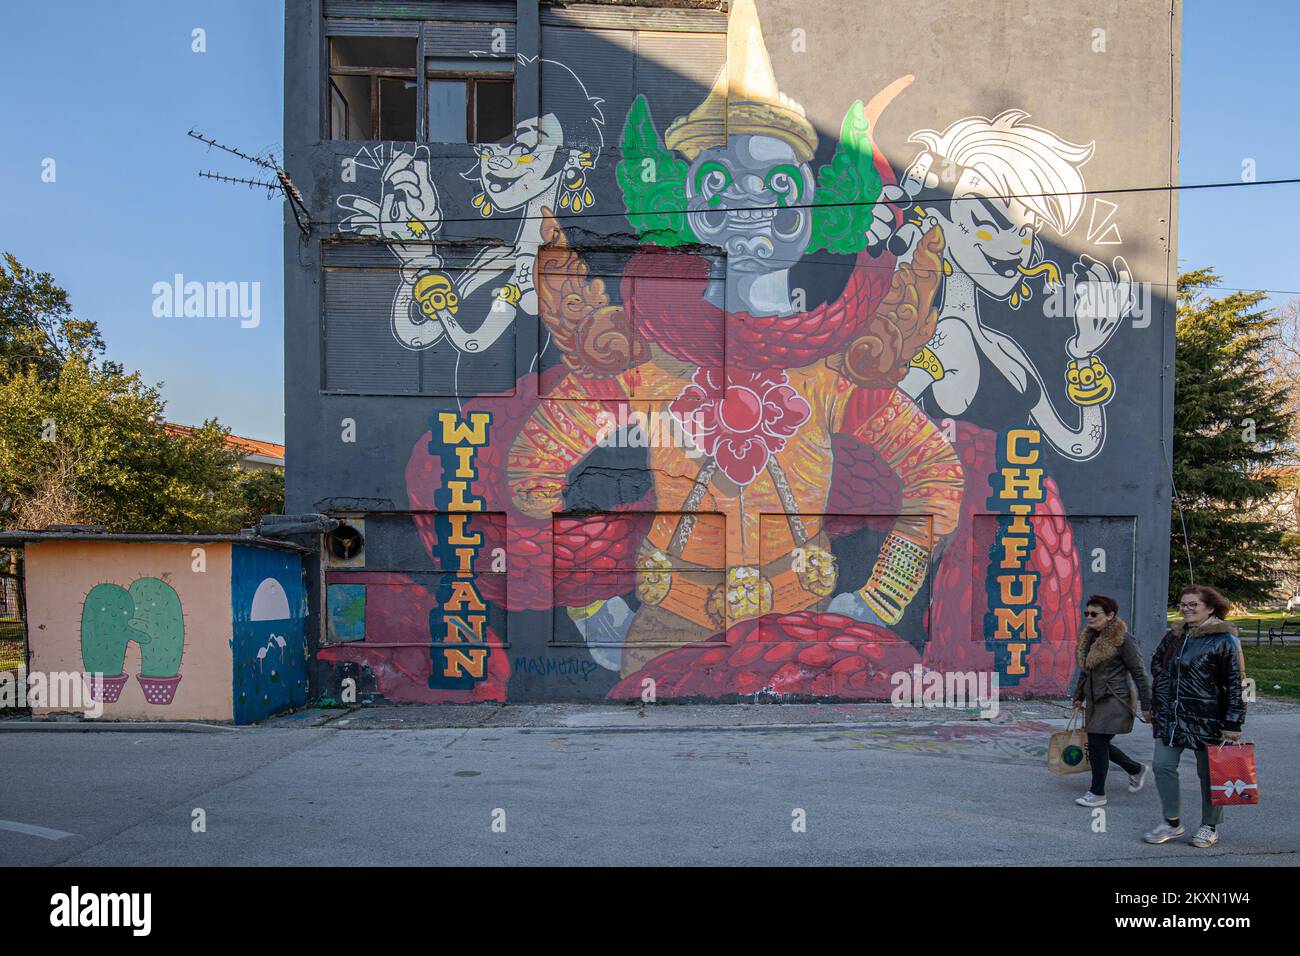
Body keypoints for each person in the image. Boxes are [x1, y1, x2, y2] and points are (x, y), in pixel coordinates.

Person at [1143, 585, 1246, 848]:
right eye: (1183, 604)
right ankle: (1172, 822)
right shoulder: (1176, 634)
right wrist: (1164, 691)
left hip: (1208, 717)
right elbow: (1157, 661)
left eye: (1193, 604)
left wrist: (1234, 722)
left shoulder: (1225, 639)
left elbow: (1236, 682)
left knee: (1210, 773)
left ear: (1210, 608)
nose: (1186, 608)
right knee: (1162, 766)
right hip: (1172, 715)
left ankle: (1209, 826)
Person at [1071, 595, 1153, 808]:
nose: (1089, 617)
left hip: (1115, 698)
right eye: (1086, 613)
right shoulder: (1089, 637)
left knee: (1097, 742)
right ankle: (1135, 769)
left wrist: (1147, 704)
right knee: (1099, 742)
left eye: (1094, 614)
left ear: (1110, 615)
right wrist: (1078, 696)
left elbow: (1139, 673)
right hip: (1095, 699)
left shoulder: (1123, 639)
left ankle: (1097, 792)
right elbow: (1086, 670)